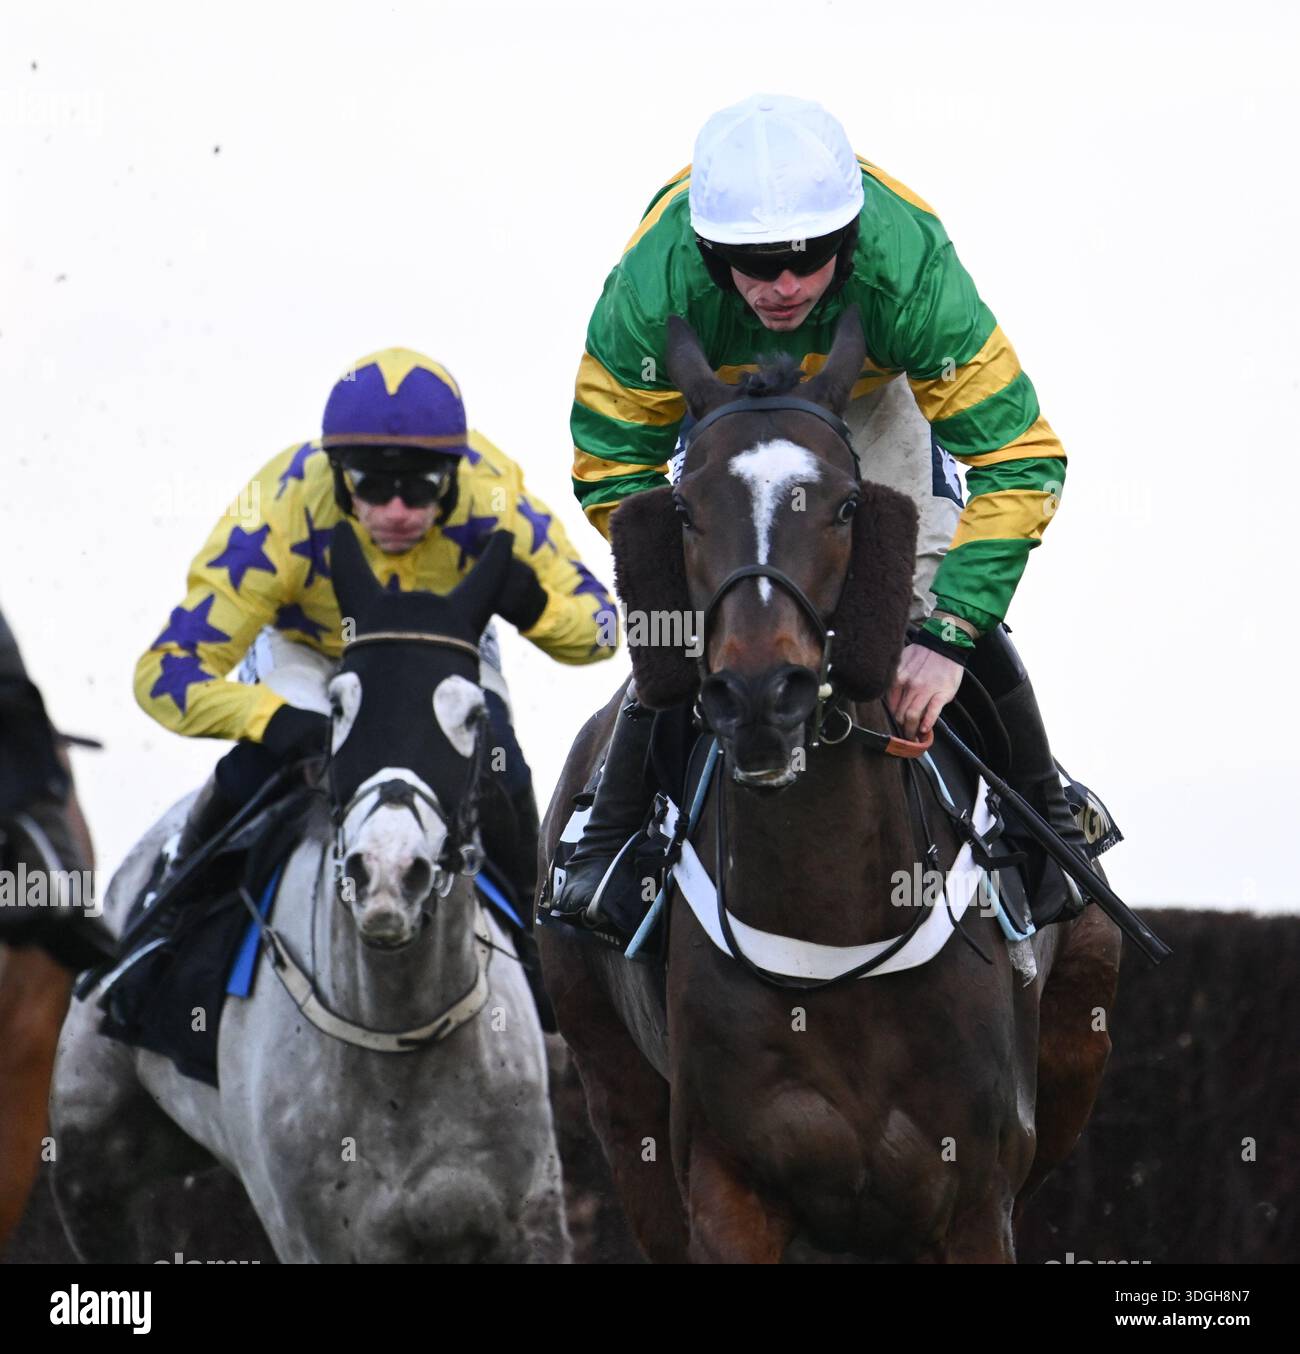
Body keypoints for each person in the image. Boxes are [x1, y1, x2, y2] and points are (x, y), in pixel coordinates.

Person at [556, 93, 1087, 926]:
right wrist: (694, 592)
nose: (783, 287)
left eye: (810, 261)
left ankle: (1047, 821)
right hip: (723, 415)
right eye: (755, 266)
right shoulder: (650, 284)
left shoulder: (907, 262)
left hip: (867, 403)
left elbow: (1019, 458)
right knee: (704, 621)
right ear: (703, 251)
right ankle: (612, 833)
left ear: (853, 236)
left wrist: (947, 637)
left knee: (927, 601)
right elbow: (611, 466)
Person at [135, 346, 618, 948]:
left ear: (455, 474)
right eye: (371, 485)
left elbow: (603, 629)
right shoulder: (279, 514)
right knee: (264, 765)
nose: (395, 511)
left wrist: (538, 610)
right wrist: (270, 719)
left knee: (502, 768)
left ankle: (537, 942)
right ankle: (169, 922)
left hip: (441, 654)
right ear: (337, 475)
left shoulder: (493, 495)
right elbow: (163, 674)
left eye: (420, 488)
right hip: (312, 654)